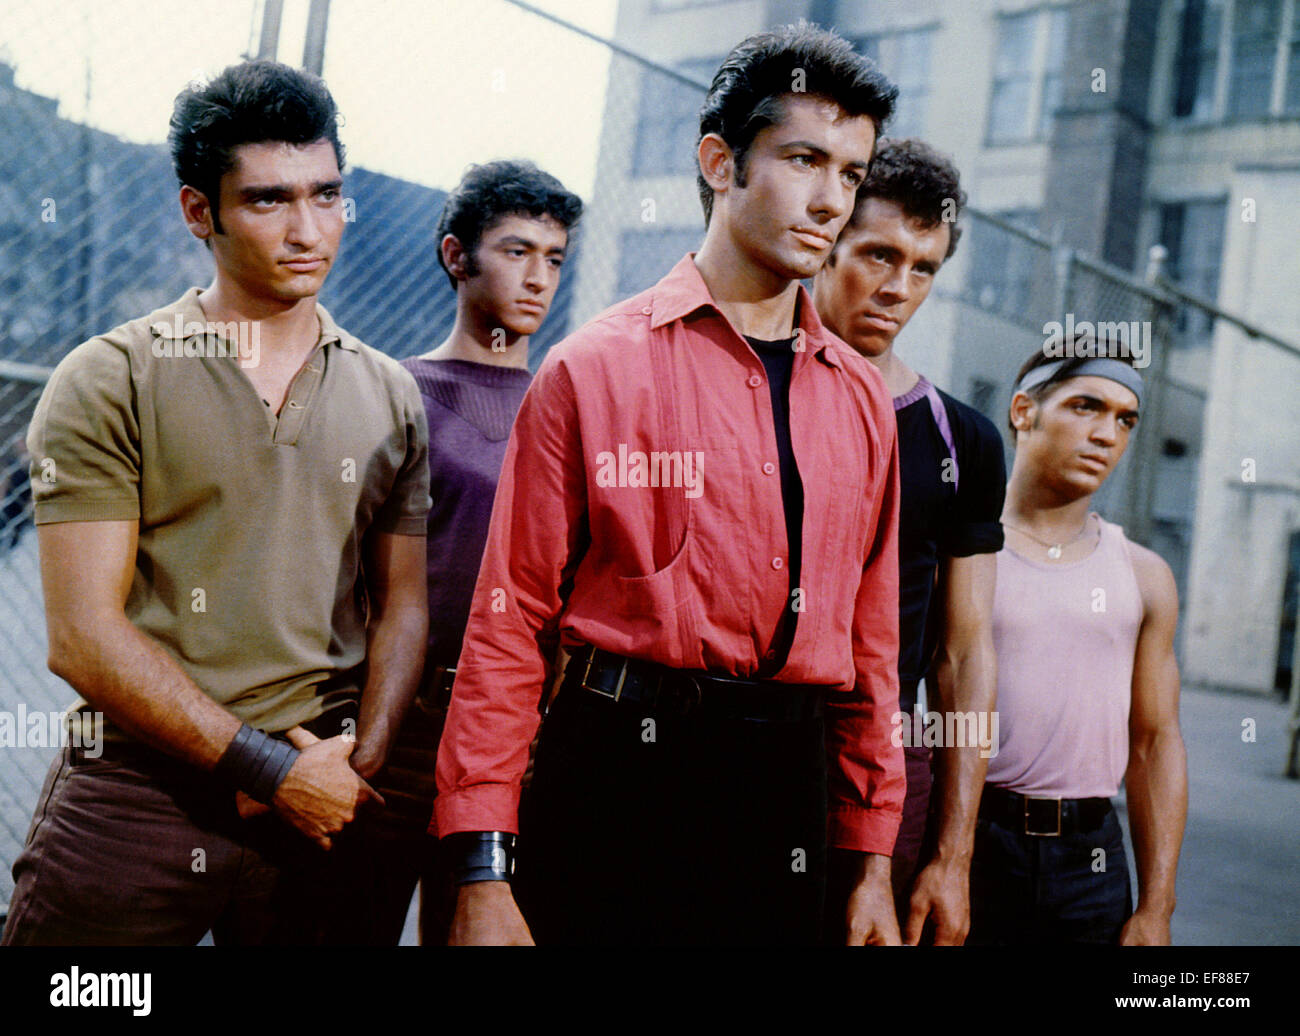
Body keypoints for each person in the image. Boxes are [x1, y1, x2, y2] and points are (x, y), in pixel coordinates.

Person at [435, 23, 905, 946]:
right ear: (721, 161)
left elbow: (873, 653)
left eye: (850, 173)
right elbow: (507, 626)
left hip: (784, 791)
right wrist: (483, 868)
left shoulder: (861, 401)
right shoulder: (593, 371)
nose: (830, 200)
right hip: (615, 771)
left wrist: (872, 862)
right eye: (804, 159)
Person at [1, 60, 431, 946]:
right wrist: (264, 766)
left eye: (327, 195)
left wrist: (358, 757)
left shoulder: (389, 395)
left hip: (327, 782)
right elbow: (83, 636)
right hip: (141, 788)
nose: (309, 229)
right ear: (201, 212)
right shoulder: (111, 377)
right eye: (270, 201)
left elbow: (404, 605)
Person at [336, 159, 581, 945]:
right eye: (516, 251)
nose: (538, 277)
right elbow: (343, 580)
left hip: (510, 739)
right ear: (455, 256)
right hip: (396, 721)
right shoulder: (396, 394)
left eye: (553, 257)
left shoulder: (566, 406)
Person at [811, 138, 1005, 945]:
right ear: (825, 245)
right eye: (879, 255)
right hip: (734, 750)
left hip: (890, 758)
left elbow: (965, 656)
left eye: (923, 268)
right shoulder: (748, 399)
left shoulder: (963, 440)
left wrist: (953, 857)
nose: (898, 287)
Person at [967, 344, 1187, 944]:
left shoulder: (1144, 575)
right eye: (1085, 406)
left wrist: (1157, 905)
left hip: (1091, 857)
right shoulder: (963, 557)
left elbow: (1155, 743)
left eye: (1124, 419)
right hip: (971, 840)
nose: (1106, 434)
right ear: (1022, 411)